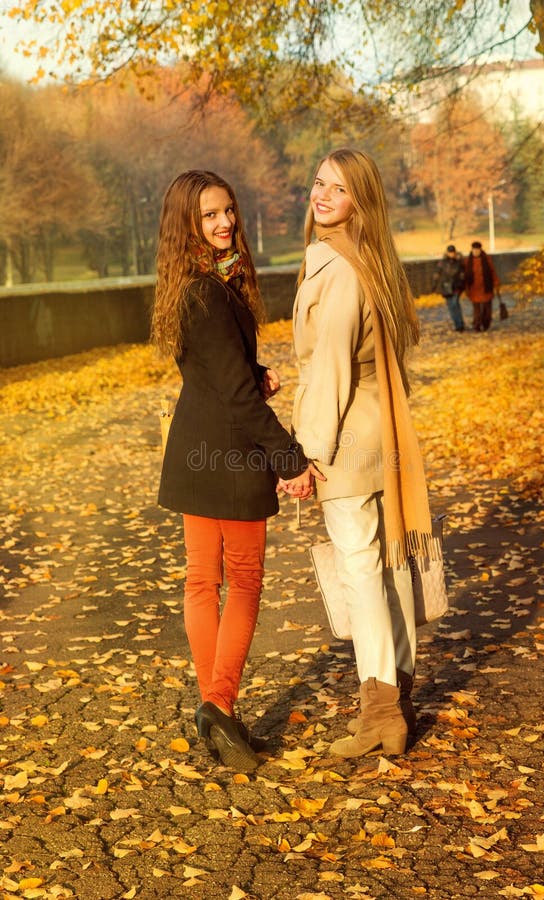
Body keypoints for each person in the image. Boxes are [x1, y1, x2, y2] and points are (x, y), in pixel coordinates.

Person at [152, 170, 317, 773]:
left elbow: (211, 371)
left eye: (228, 212)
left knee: (202, 581)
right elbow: (241, 401)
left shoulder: (188, 286)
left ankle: (214, 712)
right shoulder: (210, 292)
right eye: (210, 217)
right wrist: (290, 458)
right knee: (241, 580)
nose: (224, 224)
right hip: (230, 454)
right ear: (187, 226)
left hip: (198, 449)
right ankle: (218, 705)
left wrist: (252, 371)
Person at [292, 148, 438, 758]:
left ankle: (381, 714)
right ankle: (397, 698)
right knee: (387, 567)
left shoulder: (338, 267)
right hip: (382, 432)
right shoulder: (371, 260)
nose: (323, 195)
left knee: (361, 571)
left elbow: (329, 367)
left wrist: (309, 452)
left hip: (347, 438)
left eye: (340, 188)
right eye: (320, 183)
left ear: (361, 201)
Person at [463, 240, 500, 332]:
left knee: (487, 309)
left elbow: (492, 271)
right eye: (474, 250)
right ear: (472, 250)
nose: (475, 252)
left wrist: (496, 283)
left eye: (477, 250)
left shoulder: (486, 259)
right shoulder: (468, 261)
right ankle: (477, 325)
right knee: (477, 310)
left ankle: (485, 324)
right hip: (474, 289)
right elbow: (465, 276)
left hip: (486, 288)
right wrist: (466, 288)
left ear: (480, 250)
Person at [432, 244, 465, 332]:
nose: (451, 254)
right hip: (446, 287)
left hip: (456, 287)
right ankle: (457, 324)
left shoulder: (459, 262)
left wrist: (461, 285)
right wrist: (434, 285)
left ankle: (460, 324)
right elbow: (437, 274)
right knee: (451, 307)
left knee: (455, 304)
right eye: (450, 252)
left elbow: (462, 275)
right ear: (447, 253)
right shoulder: (442, 263)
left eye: (453, 252)